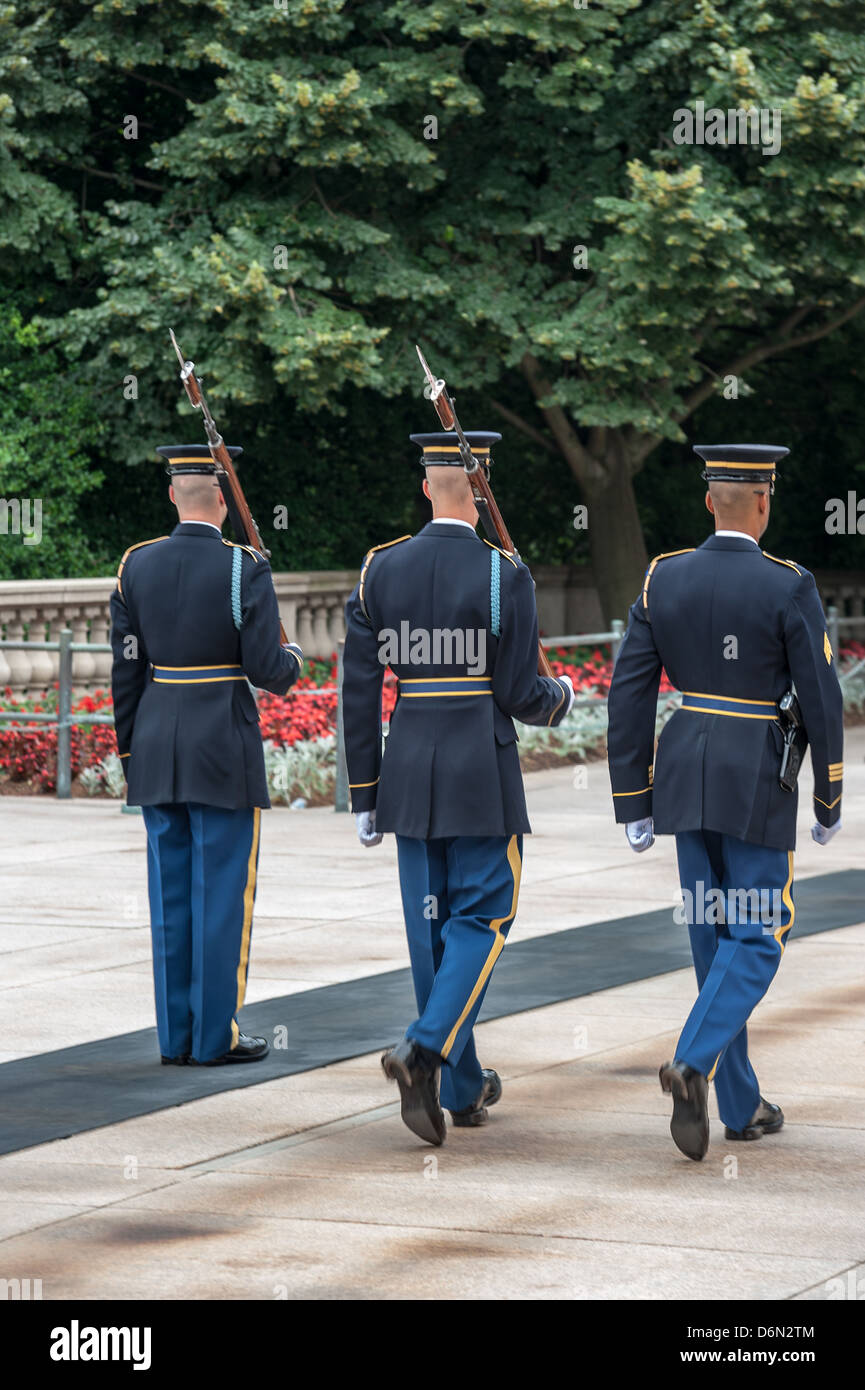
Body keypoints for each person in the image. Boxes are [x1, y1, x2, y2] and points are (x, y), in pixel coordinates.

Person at [607, 443, 844, 1160]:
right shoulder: (787, 584)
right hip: (753, 768)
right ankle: (692, 1060)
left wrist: (631, 797)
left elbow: (628, 690)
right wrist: (828, 791)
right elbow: (820, 698)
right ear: (763, 502)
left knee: (714, 930)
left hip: (683, 765)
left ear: (709, 501)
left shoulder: (661, 578)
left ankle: (739, 1105)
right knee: (759, 929)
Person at [342, 430, 574, 1145]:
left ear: (425, 488)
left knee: (431, 933)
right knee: (483, 918)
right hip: (479, 763)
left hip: (408, 762)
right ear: (480, 489)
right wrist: (558, 696)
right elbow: (515, 690)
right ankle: (421, 1049)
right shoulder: (504, 574)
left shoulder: (380, 569)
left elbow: (357, 690)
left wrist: (363, 790)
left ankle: (461, 1084)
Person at [110, 444, 303, 1067]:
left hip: (158, 741)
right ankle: (214, 1036)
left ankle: (176, 1037)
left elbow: (127, 671)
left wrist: (131, 753)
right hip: (220, 742)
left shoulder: (135, 566)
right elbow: (268, 670)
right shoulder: (241, 568)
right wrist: (293, 656)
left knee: (170, 897)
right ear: (222, 499)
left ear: (173, 495)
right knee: (220, 893)